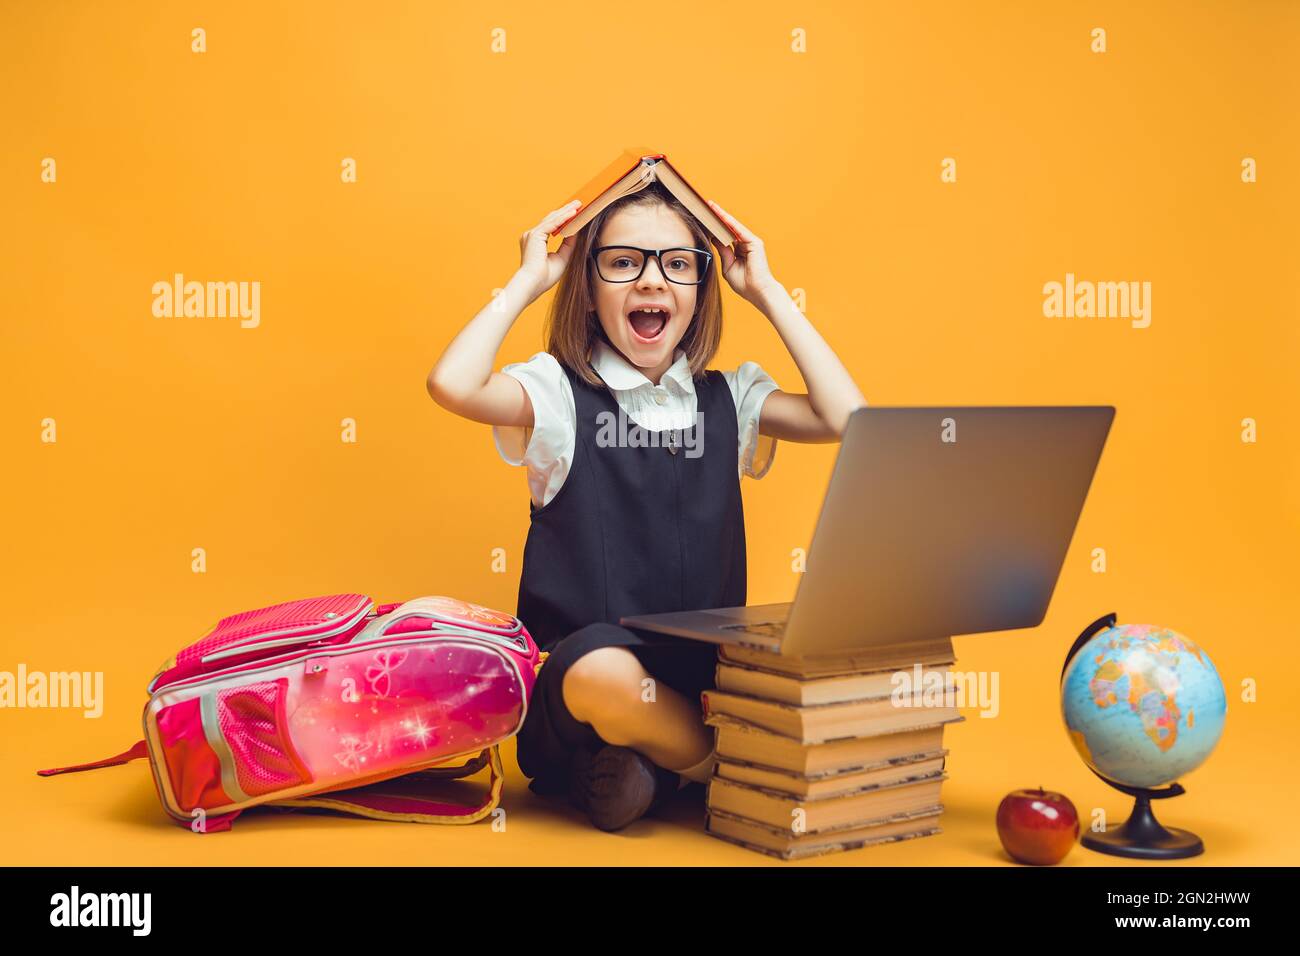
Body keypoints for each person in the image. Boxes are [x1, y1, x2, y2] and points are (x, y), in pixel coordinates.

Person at [427, 179, 864, 831]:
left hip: (699, 684)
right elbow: (451, 383)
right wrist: (528, 279)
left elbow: (846, 416)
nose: (652, 281)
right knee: (603, 667)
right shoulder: (557, 395)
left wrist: (768, 291)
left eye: (678, 264)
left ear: (701, 287)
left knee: (824, 649)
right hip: (582, 689)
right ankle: (729, 769)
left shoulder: (729, 400)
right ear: (588, 284)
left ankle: (650, 771)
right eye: (623, 261)